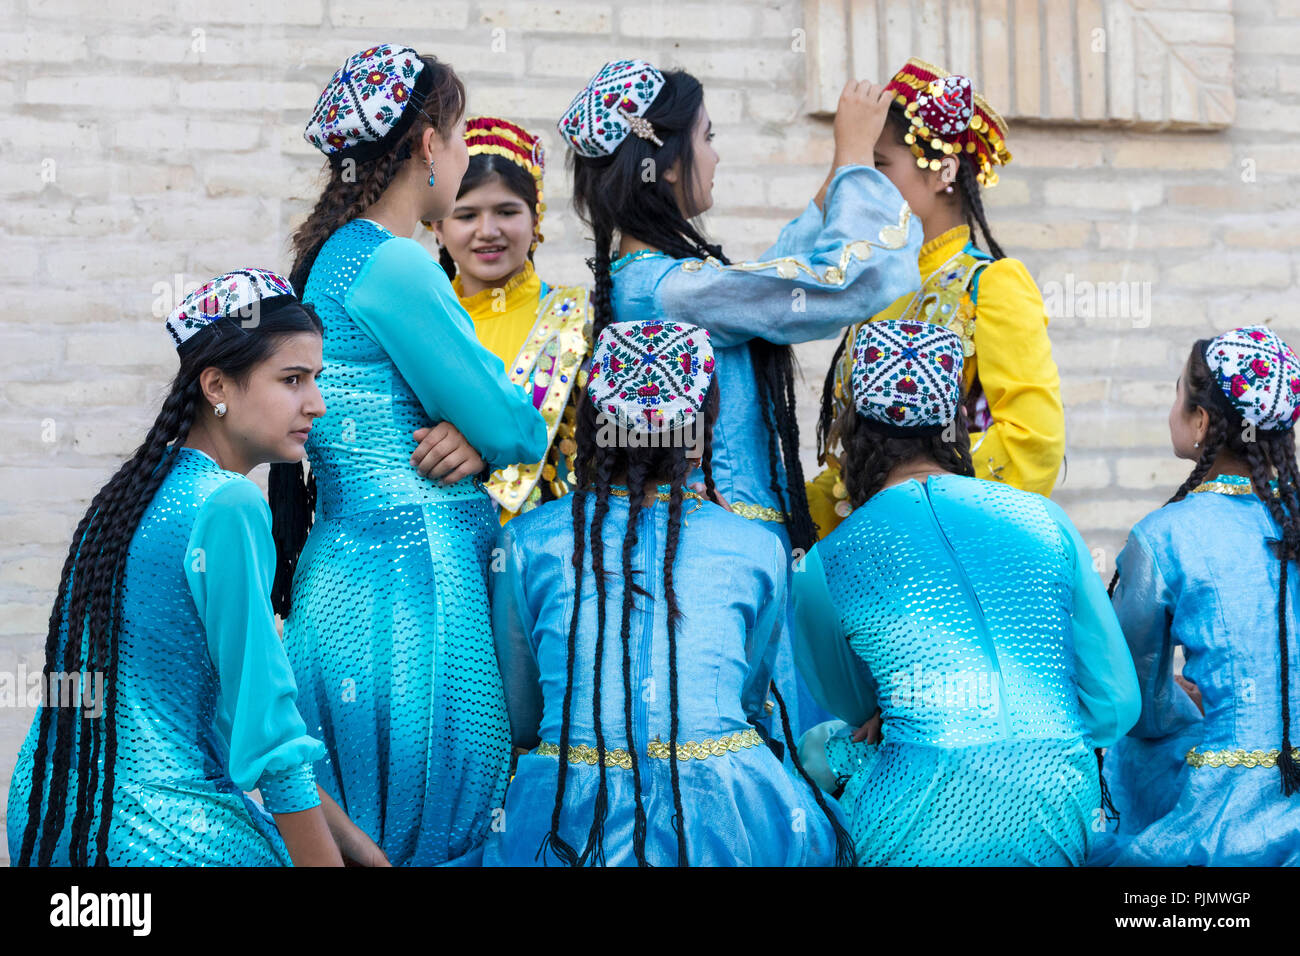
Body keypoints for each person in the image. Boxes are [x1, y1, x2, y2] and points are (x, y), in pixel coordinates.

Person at [558, 58, 922, 739]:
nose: (718, 156)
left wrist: (835, 183)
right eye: (709, 137)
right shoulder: (672, 290)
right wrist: (852, 163)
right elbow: (849, 283)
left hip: (701, 554)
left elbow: (773, 279)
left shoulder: (652, 280)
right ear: (666, 164)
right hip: (728, 555)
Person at [272, 44, 548, 866]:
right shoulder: (393, 264)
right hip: (418, 586)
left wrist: (473, 427)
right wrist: (489, 429)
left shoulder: (334, 260)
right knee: (440, 827)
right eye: (460, 134)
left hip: (344, 578)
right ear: (427, 142)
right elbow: (515, 429)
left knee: (364, 826)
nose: (466, 155)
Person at [8, 269, 383, 867]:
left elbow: (226, 714)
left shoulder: (128, 495)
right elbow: (269, 733)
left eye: (317, 379)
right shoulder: (227, 504)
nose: (316, 403)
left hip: (55, 813)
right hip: (171, 833)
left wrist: (357, 845)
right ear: (217, 386)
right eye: (292, 379)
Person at [485, 319, 851, 866]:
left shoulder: (526, 541)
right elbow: (750, 703)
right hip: (727, 813)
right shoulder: (756, 546)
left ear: (591, 422)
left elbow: (520, 715)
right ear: (704, 423)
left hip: (565, 815)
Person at [793, 319, 1139, 865]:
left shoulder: (823, 564)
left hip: (916, 811)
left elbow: (858, 712)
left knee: (817, 749)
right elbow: (1116, 706)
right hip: (1058, 798)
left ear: (852, 426)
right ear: (956, 420)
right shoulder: (1044, 519)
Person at [809, 57, 1065, 538]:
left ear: (943, 171)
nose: (864, 182)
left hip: (952, 543)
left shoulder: (990, 284)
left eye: (879, 165)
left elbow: (1034, 442)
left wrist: (914, 505)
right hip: (865, 549)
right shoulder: (876, 290)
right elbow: (849, 468)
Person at [1096, 326, 1300, 865]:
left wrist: (1182, 698)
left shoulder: (1165, 535)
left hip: (1225, 814)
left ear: (1202, 421)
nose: (1172, 409)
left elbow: (1129, 698)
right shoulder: (1293, 522)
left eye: (1176, 394)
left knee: (1129, 741)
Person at [432, 115, 592, 521]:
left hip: (551, 553)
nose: (487, 230)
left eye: (506, 211)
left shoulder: (580, 319)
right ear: (437, 226)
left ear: (535, 218)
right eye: (466, 215)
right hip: (437, 548)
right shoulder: (423, 319)